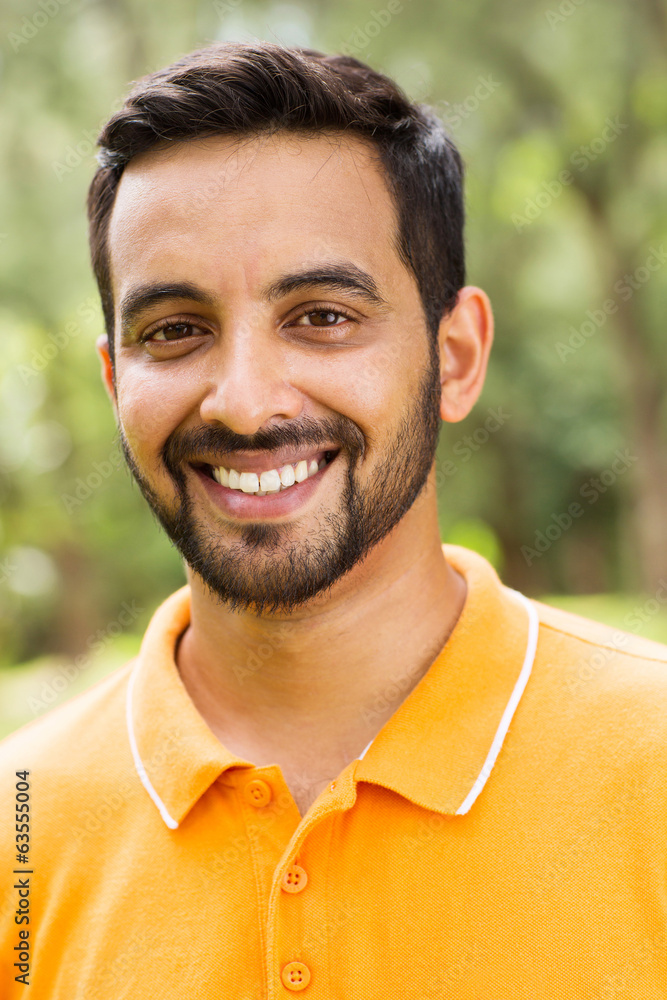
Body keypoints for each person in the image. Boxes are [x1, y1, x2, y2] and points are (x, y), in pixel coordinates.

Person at [2, 41, 666, 999]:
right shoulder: (16, 829)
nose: (244, 403)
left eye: (321, 316)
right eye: (175, 331)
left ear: (454, 357)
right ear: (115, 382)